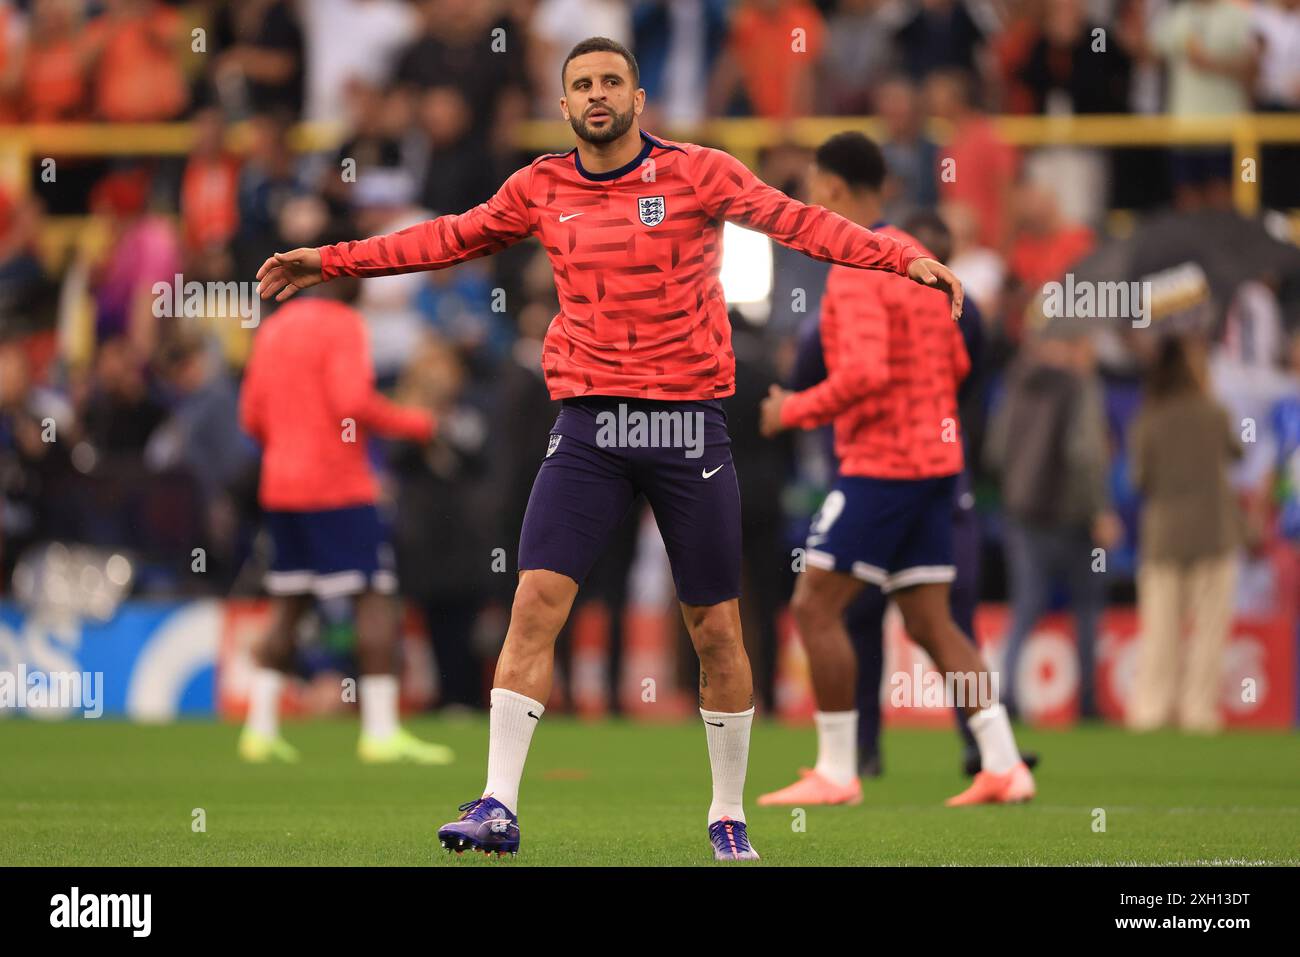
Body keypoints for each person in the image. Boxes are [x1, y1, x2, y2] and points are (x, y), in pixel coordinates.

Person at [256, 37, 964, 860]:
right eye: (582, 84)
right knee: (534, 605)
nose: (597, 95)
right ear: (563, 106)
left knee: (715, 630)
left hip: (686, 425)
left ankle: (727, 814)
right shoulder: (540, 186)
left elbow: (801, 223)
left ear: (638, 98)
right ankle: (496, 803)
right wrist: (333, 260)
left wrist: (900, 253)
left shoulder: (700, 172)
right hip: (590, 427)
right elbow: (445, 238)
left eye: (612, 82)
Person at [757, 132, 1034, 808]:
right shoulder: (923, 263)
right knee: (933, 622)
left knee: (814, 605)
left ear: (827, 188)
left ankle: (837, 768)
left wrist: (793, 408)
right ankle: (1002, 762)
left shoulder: (856, 268)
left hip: (883, 466)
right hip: (939, 465)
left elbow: (864, 373)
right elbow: (961, 363)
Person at [237, 275, 454, 766]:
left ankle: (260, 729)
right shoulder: (344, 325)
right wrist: (417, 422)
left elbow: (249, 415)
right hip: (336, 485)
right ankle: (379, 732)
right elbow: (353, 402)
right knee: (373, 597)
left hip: (280, 486)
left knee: (289, 603)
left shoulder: (274, 327)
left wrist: (290, 440)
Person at [985, 327, 1121, 721]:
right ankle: (1088, 704)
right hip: (1074, 518)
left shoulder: (1017, 381)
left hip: (1023, 515)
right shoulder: (1081, 386)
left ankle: (1008, 696)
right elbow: (1084, 455)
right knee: (1087, 609)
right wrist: (1099, 511)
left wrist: (1019, 493)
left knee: (1025, 608)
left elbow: (996, 451)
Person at [1127, 335, 1242, 733]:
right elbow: (1238, 453)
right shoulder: (1215, 411)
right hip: (1214, 532)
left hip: (1164, 535)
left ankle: (1151, 710)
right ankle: (1200, 713)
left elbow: (1139, 477)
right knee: (1208, 631)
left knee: (1160, 631)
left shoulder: (1149, 417)